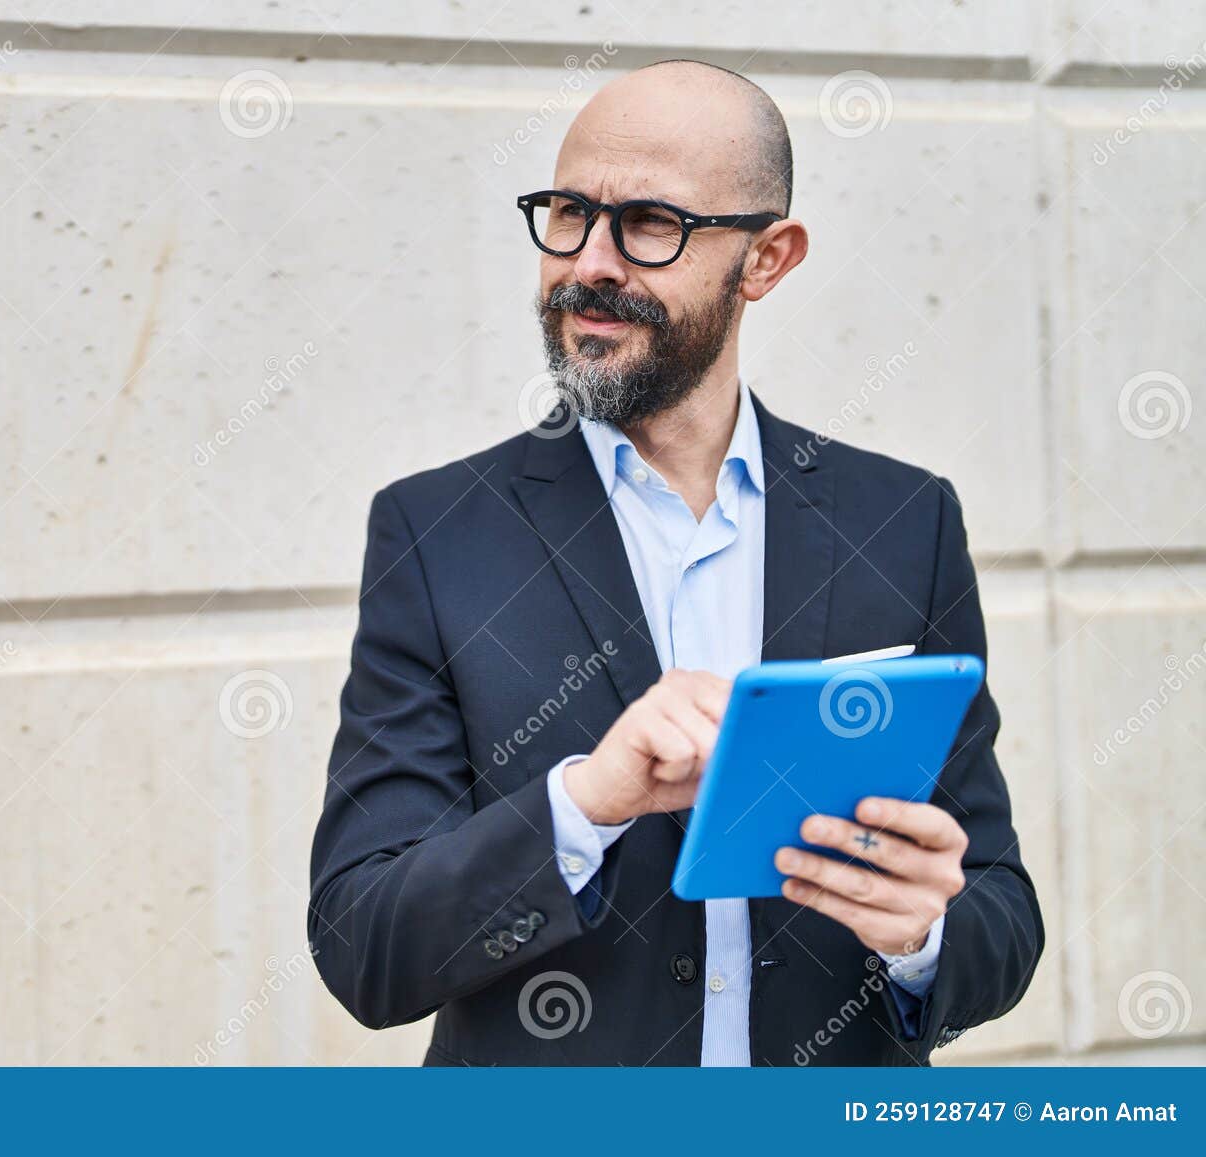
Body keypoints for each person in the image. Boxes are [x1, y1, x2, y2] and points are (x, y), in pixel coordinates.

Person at [307, 59, 1043, 1066]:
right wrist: (587, 799)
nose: (591, 262)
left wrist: (922, 933)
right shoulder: (437, 534)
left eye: (649, 221)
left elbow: (1000, 912)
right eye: (568, 212)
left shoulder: (903, 521)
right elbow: (364, 943)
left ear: (767, 258)